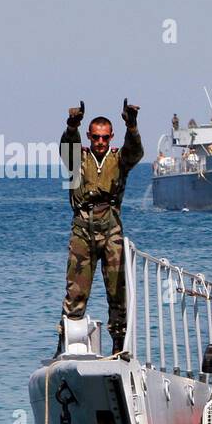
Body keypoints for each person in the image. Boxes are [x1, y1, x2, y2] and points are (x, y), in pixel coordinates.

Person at [57, 99, 143, 354]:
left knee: (117, 290)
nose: (100, 142)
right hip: (82, 228)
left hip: (111, 227)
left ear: (111, 137)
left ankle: (118, 344)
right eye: (96, 138)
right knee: (75, 290)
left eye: (105, 138)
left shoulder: (119, 160)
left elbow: (135, 152)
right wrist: (71, 126)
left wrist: (133, 126)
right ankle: (65, 343)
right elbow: (66, 148)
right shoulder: (78, 158)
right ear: (89, 137)